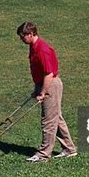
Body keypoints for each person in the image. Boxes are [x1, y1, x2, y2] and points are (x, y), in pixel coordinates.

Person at [17, 22, 77, 162]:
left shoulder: (42, 49)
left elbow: (49, 74)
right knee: (56, 118)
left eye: (22, 36)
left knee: (48, 121)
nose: (21, 39)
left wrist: (42, 92)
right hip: (43, 83)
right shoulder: (33, 46)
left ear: (31, 34)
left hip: (50, 85)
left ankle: (44, 154)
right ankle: (69, 149)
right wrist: (37, 88)